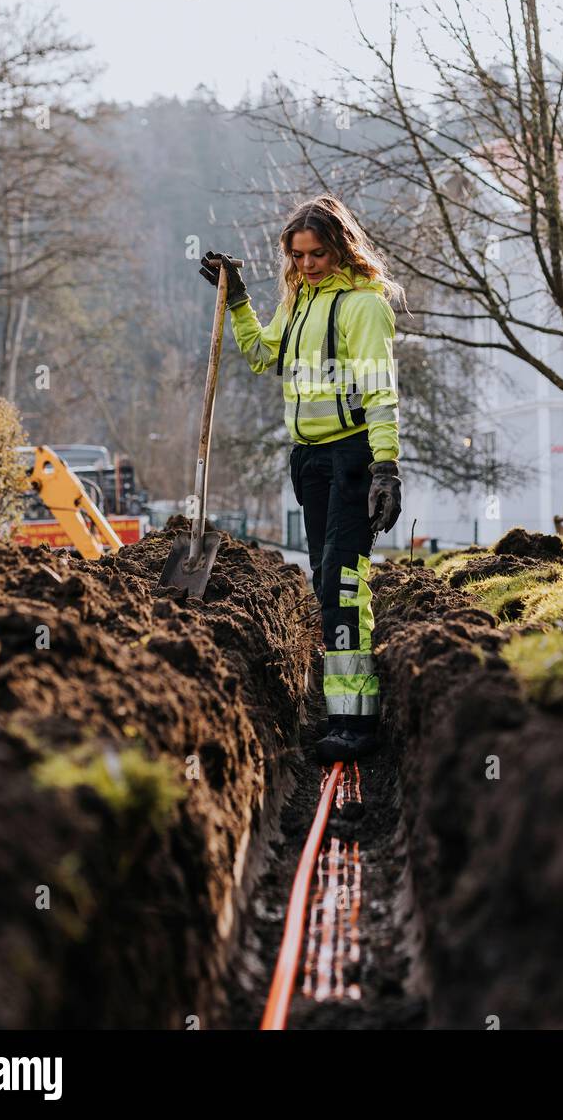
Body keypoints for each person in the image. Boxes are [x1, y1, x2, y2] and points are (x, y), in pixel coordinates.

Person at [199, 195, 403, 763]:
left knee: (342, 584)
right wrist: (237, 299)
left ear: (341, 247)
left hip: (354, 456)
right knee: (324, 579)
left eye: (317, 254)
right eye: (298, 255)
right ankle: (345, 704)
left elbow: (381, 391)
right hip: (309, 460)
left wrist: (386, 465)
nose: (307, 264)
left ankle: (355, 720)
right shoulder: (299, 302)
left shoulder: (364, 306)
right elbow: (263, 355)